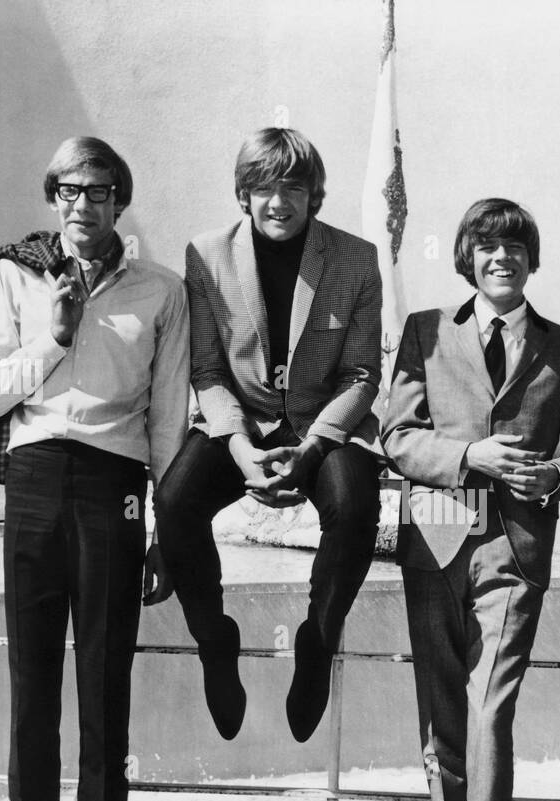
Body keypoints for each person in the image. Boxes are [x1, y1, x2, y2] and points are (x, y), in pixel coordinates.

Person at [0, 137, 190, 801]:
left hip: (112, 490)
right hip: (32, 487)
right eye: (67, 190)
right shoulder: (15, 275)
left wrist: (165, 524)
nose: (81, 205)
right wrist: (54, 337)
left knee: (104, 695)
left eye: (98, 191)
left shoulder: (161, 291)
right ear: (52, 197)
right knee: (32, 695)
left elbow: (167, 419)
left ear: (120, 201)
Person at [381, 198, 560, 801]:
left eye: (515, 247)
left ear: (531, 261)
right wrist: (469, 458)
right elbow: (396, 437)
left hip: (515, 549)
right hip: (434, 542)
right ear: (467, 258)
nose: (501, 258)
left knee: (488, 713)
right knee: (441, 721)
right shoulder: (424, 333)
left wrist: (555, 473)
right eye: (487, 246)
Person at [153, 128, 383, 743]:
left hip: (323, 424)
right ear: (243, 194)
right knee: (174, 505)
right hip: (242, 421)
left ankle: (317, 640)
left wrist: (313, 448)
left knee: (357, 509)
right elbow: (205, 370)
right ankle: (214, 642)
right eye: (262, 188)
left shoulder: (356, 258)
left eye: (292, 188)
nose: (277, 202)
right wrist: (241, 451)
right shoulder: (206, 255)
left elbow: (363, 374)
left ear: (314, 195)